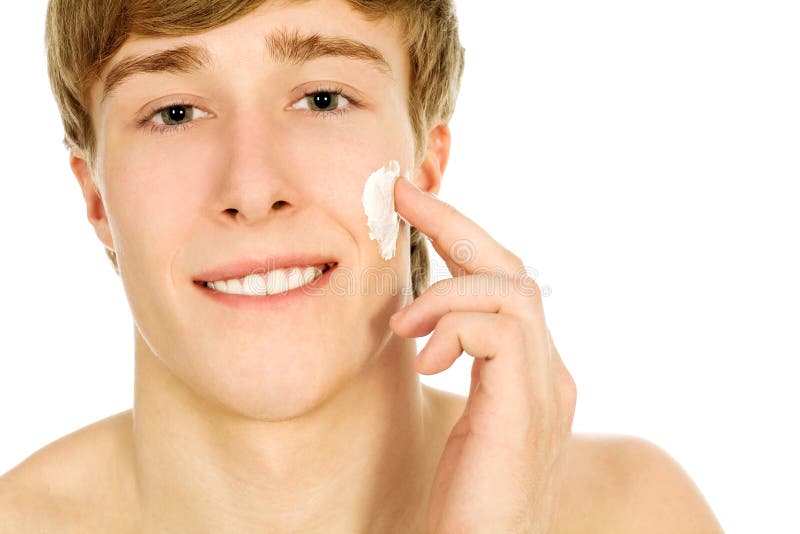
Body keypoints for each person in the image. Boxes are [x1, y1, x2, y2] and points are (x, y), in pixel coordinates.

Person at [0, 0, 724, 531]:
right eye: (176, 113)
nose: (252, 189)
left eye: (322, 99)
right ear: (95, 197)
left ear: (428, 162)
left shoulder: (640, 513)